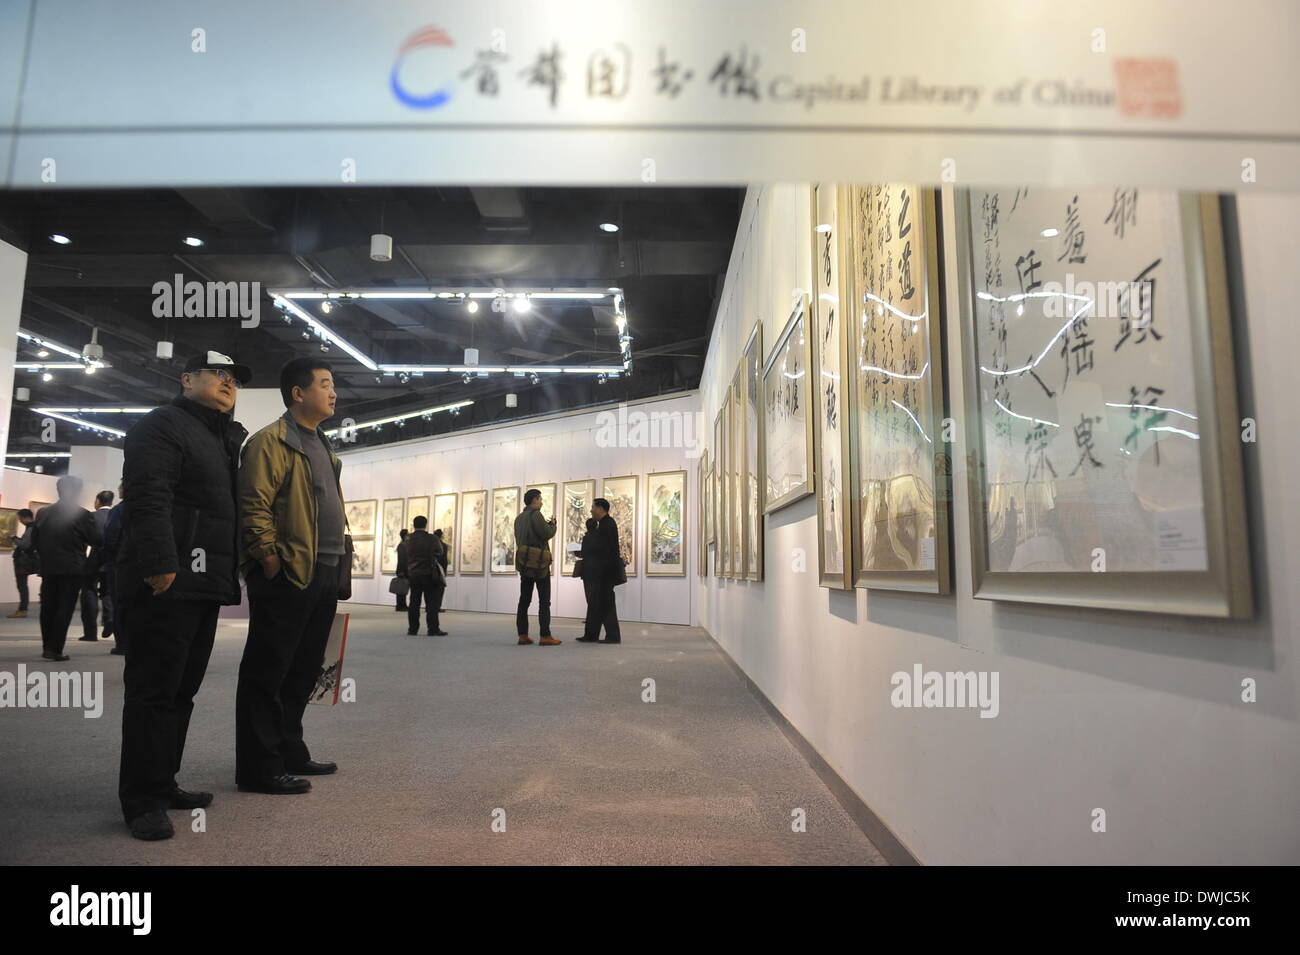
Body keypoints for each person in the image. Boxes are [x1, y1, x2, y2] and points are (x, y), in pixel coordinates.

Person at [116, 351, 251, 841]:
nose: (227, 382)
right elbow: (148, 496)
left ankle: (163, 781)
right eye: (219, 374)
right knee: (153, 692)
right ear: (187, 378)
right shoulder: (161, 425)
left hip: (204, 583)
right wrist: (159, 565)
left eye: (233, 378)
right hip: (168, 582)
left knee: (181, 691)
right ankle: (142, 799)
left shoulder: (222, 438)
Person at [235, 357, 350, 795]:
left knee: (303, 668)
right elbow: (254, 505)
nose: (333, 392)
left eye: (333, 384)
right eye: (324, 384)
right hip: (288, 571)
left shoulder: (323, 445)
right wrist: (267, 557)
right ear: (298, 393)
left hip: (324, 569)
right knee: (268, 670)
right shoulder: (270, 442)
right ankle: (258, 768)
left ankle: (289, 750)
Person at [29, 476, 100, 661]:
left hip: (49, 567)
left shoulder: (43, 512)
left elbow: (34, 540)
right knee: (64, 608)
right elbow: (95, 539)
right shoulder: (82, 514)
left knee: (47, 607)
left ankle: (47, 647)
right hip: (72, 568)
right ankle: (55, 649)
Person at [513, 488, 558, 646]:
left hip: (525, 564)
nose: (541, 502)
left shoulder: (518, 519)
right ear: (534, 500)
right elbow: (546, 534)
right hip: (539, 564)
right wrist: (553, 524)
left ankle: (522, 635)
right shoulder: (536, 515)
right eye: (540, 499)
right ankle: (545, 636)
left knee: (524, 600)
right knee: (544, 601)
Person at [576, 497, 622, 644]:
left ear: (601, 508)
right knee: (596, 603)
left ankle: (612, 636)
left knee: (605, 604)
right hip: (600, 572)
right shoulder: (604, 524)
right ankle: (591, 634)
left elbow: (604, 550)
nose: (591, 510)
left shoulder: (607, 524)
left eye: (593, 507)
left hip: (604, 573)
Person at [396, 516, 447, 636]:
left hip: (413, 574)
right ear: (426, 524)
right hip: (429, 573)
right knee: (431, 603)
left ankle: (413, 629)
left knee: (414, 602)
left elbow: (404, 556)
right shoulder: (432, 538)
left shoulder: (408, 540)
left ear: (414, 525)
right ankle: (433, 628)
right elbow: (440, 552)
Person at [78, 489, 115, 642]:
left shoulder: (91, 516)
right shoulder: (116, 515)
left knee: (89, 591)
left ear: (98, 501)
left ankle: (90, 632)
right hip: (111, 560)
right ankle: (109, 619)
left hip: (94, 559)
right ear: (111, 502)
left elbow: (84, 538)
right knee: (108, 591)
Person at [102, 483, 126, 656]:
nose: (118, 489)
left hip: (119, 564)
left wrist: (110, 557)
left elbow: (111, 536)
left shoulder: (118, 510)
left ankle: (122, 644)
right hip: (141, 565)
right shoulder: (148, 508)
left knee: (120, 604)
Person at [7, 508, 37, 618]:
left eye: (20, 518)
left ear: (25, 517)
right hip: (26, 561)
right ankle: (23, 609)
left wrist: (13, 537)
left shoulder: (31, 528)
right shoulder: (33, 528)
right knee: (22, 586)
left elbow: (25, 545)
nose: (19, 521)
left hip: (24, 562)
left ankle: (22, 609)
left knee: (22, 586)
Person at [394, 528, 409, 612]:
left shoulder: (403, 545)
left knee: (403, 588)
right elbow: (401, 559)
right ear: (405, 536)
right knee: (401, 589)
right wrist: (401, 571)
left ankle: (402, 605)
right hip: (402, 570)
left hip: (403, 569)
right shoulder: (402, 545)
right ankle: (400, 605)